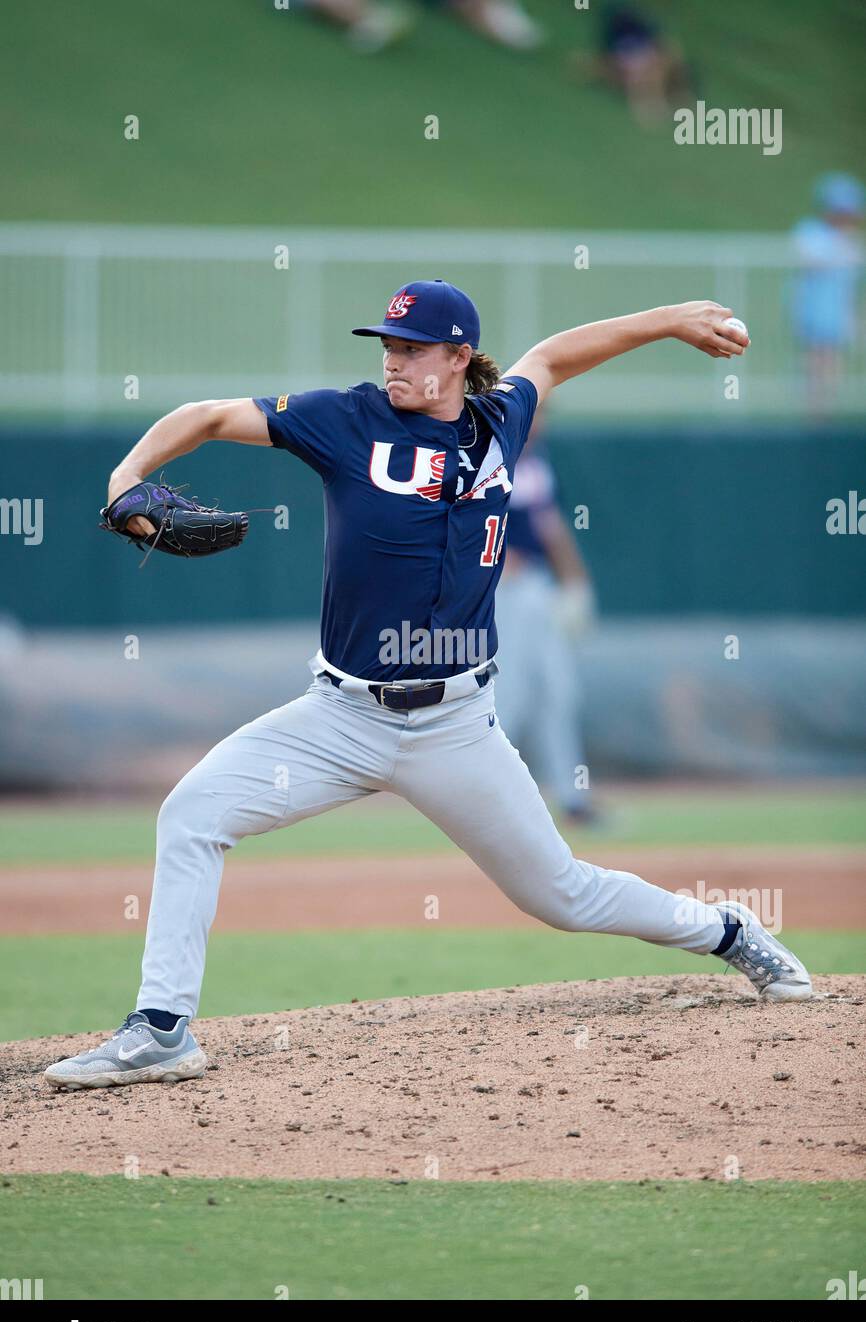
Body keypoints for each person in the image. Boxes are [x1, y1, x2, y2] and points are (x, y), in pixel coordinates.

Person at [44, 281, 810, 1090]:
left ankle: (726, 931)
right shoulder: (346, 419)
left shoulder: (500, 420)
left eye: (411, 348)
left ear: (456, 359)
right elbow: (204, 415)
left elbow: (551, 356)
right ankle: (162, 1028)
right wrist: (126, 476)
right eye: (387, 345)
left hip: (456, 727)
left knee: (562, 895)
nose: (392, 360)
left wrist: (669, 322)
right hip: (338, 717)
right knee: (192, 813)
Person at [492, 414, 598, 822]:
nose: (540, 420)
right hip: (503, 591)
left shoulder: (536, 460)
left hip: (538, 585)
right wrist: (495, 563)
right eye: (533, 411)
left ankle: (574, 799)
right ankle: (493, 799)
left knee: (559, 690)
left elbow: (550, 525)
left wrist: (576, 581)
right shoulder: (489, 456)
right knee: (508, 695)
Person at [790, 172, 865, 415]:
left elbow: (850, 281)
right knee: (815, 365)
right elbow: (810, 259)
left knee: (833, 368)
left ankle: (825, 415)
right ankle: (814, 416)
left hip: (837, 314)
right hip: (814, 312)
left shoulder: (851, 240)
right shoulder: (810, 232)